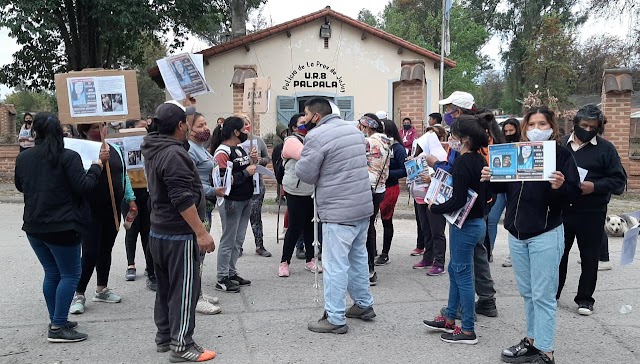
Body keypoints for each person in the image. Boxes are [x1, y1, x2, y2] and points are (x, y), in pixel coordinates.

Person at [481, 106, 581, 364]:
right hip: (517, 233)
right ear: (525, 128)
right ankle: (533, 341)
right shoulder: (516, 152)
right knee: (528, 293)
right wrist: (490, 176)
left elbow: (572, 195)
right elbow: (504, 186)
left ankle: (546, 352)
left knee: (544, 295)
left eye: (542, 124)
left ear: (552, 128)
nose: (537, 129)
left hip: (545, 233)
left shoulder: (561, 155)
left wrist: (560, 187)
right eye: (532, 124)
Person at [15, 112, 107, 343]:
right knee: (70, 274)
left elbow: (19, 186)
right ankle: (57, 327)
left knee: (53, 273)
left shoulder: (24, 157)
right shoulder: (68, 156)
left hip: (34, 226)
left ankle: (58, 319)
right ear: (59, 131)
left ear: (35, 131)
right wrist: (97, 165)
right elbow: (85, 186)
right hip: (63, 226)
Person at [140, 100, 217, 362]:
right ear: (181, 125)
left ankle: (165, 337)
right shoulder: (173, 154)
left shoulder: (155, 147)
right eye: (187, 122)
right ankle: (182, 345)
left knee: (165, 289)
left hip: (159, 231)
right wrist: (201, 232)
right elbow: (181, 198)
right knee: (185, 290)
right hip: (177, 234)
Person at [296, 97, 375, 334]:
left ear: (316, 117)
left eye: (306, 115)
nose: (304, 120)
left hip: (338, 211)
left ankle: (335, 317)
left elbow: (306, 173)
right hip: (361, 207)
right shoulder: (353, 131)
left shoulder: (316, 136)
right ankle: (363, 304)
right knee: (358, 258)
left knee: (335, 265)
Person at [426, 91, 499, 318]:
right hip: (476, 208)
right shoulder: (477, 141)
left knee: (462, 267)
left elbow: (459, 177)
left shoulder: (468, 150)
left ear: (458, 111)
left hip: (467, 211)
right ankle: (467, 306)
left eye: (449, 109)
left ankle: (465, 318)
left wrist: (437, 166)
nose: (446, 114)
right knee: (470, 258)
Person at [423, 114, 491, 345]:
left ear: (463, 139)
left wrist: (435, 207)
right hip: (473, 223)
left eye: (452, 135)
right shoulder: (478, 160)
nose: (449, 138)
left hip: (466, 224)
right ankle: (450, 317)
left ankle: (468, 329)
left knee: (462, 274)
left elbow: (458, 199)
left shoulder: (463, 162)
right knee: (456, 270)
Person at [557, 105, 626, 316]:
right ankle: (553, 293)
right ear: (575, 124)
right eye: (584, 125)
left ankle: (585, 299)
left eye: (592, 127)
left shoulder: (606, 149)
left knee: (589, 256)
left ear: (598, 128)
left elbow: (619, 181)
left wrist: (594, 186)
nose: (587, 129)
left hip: (592, 211)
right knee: (559, 254)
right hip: (562, 210)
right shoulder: (560, 145)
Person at [70, 122, 136, 315]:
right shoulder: (81, 150)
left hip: (113, 208)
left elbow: (124, 176)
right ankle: (79, 293)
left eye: (103, 126)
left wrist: (130, 198)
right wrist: (98, 162)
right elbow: (78, 180)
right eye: (94, 128)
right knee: (89, 252)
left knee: (105, 249)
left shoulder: (114, 148)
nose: (101, 130)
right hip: (89, 210)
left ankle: (102, 288)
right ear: (84, 131)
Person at [211, 116, 256, 293]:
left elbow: (245, 168)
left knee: (239, 239)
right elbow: (222, 181)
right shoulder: (222, 152)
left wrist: (253, 161)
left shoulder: (238, 148)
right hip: (232, 201)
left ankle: (231, 272)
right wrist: (246, 172)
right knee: (229, 239)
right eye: (243, 129)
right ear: (235, 132)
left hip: (245, 199)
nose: (246, 132)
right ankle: (222, 277)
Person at [187, 112, 225, 315]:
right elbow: (193, 183)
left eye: (205, 124)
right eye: (200, 126)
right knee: (197, 253)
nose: (205, 129)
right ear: (188, 128)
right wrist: (213, 191)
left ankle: (198, 291)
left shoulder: (200, 148)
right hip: (198, 204)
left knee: (200, 255)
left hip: (206, 205)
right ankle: (195, 297)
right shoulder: (190, 151)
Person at [278, 112, 322, 277]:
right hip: (296, 191)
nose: (307, 124)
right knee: (295, 227)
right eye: (303, 123)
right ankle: (284, 262)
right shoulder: (291, 141)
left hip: (312, 191)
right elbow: (308, 157)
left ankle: (311, 260)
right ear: (294, 127)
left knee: (311, 226)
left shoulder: (311, 138)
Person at [122, 119, 157, 292]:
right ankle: (131, 264)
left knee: (147, 231)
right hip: (129, 194)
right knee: (131, 229)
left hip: (147, 191)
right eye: (140, 128)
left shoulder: (149, 146)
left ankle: (150, 267)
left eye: (146, 128)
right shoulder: (122, 147)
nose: (144, 131)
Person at [411, 127, 449, 275]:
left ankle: (439, 262)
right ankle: (428, 257)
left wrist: (431, 178)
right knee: (426, 229)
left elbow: (447, 176)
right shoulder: (421, 155)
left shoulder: (441, 155)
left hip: (435, 199)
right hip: (421, 197)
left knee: (437, 232)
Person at [358, 114, 390, 285]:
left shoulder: (368, 142)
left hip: (367, 187)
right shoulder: (386, 141)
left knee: (364, 229)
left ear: (367, 127)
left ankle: (368, 269)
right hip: (380, 187)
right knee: (369, 227)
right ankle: (369, 268)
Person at [374, 119, 407, 266]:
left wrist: (387, 173)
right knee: (370, 221)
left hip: (390, 188)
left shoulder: (397, 148)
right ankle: (371, 249)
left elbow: (405, 169)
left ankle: (385, 253)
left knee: (386, 220)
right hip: (374, 187)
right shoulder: (375, 144)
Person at [239, 115, 272, 257]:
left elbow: (267, 157)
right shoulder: (232, 143)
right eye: (242, 124)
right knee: (238, 217)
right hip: (239, 183)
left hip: (257, 183)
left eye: (247, 123)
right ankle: (237, 246)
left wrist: (258, 160)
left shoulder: (257, 140)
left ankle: (260, 245)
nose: (245, 127)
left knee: (255, 215)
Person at [497, 118, 520, 268]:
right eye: (506, 131)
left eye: (512, 131)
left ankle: (514, 254)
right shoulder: (501, 145)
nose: (509, 134)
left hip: (517, 187)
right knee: (494, 219)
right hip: (503, 185)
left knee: (516, 217)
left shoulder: (524, 145)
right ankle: (489, 250)